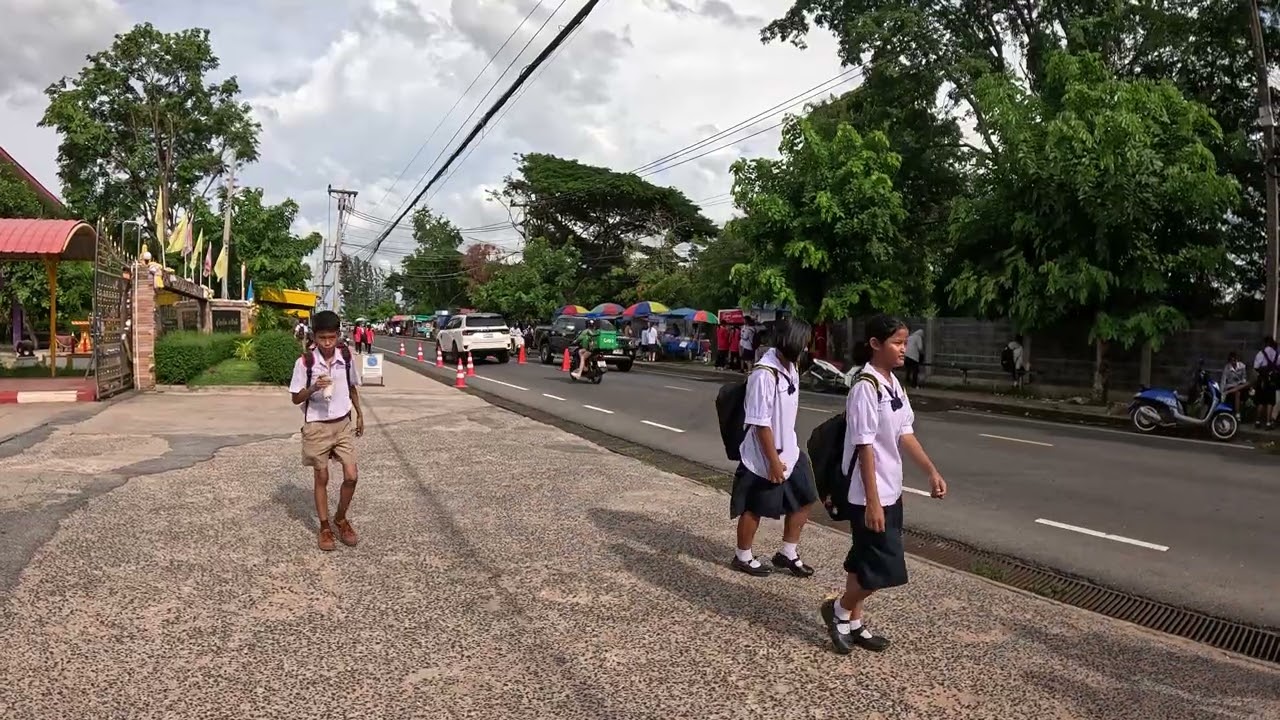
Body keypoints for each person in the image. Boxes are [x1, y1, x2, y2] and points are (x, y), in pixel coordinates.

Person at [821, 314, 947, 654]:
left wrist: (931, 471)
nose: (903, 349)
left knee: (864, 559)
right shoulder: (866, 387)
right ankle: (839, 609)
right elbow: (865, 447)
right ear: (875, 345)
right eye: (897, 343)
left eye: (905, 342)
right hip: (868, 494)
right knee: (885, 567)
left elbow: (905, 433)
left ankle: (854, 625)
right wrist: (873, 502)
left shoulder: (893, 384)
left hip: (891, 489)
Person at [729, 317, 818, 578]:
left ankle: (787, 553)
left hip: (789, 447)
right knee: (755, 506)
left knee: (805, 498)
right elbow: (760, 423)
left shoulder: (792, 366)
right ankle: (742, 556)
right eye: (803, 344)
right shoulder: (763, 374)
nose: (806, 349)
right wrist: (772, 462)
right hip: (763, 455)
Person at [288, 310, 365, 552]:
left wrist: (360, 413)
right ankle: (324, 527)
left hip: (342, 423)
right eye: (322, 338)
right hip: (317, 425)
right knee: (322, 477)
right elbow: (295, 398)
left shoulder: (346, 357)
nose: (327, 343)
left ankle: (341, 518)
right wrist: (313, 388)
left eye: (331, 337)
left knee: (351, 475)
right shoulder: (305, 363)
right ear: (314, 337)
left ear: (338, 335)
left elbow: (352, 386)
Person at [1253, 337, 1279, 430]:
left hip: (1262, 380)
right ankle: (1268, 423)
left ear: (1265, 343)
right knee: (1270, 402)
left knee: (1260, 401)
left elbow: (1256, 367)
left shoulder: (1261, 353)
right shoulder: (1276, 354)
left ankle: (1257, 421)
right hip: (1272, 380)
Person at [1221, 351, 1248, 418]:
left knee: (1244, 385)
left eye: (1234, 360)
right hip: (1231, 386)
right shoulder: (1227, 368)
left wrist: (1241, 382)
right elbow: (1223, 380)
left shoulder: (1242, 366)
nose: (1233, 362)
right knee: (1237, 393)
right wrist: (1222, 391)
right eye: (1232, 360)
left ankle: (1227, 393)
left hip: (1240, 385)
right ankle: (1237, 413)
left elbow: (1244, 378)